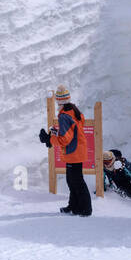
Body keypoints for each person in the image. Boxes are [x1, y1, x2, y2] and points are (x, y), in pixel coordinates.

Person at [39, 85, 92, 216]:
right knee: (72, 180)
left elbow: (64, 140)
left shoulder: (64, 116)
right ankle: (74, 206)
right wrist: (54, 134)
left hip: (73, 152)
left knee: (77, 181)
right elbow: (71, 133)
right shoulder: (74, 111)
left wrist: (49, 139)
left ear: (58, 101)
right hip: (77, 151)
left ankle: (85, 209)